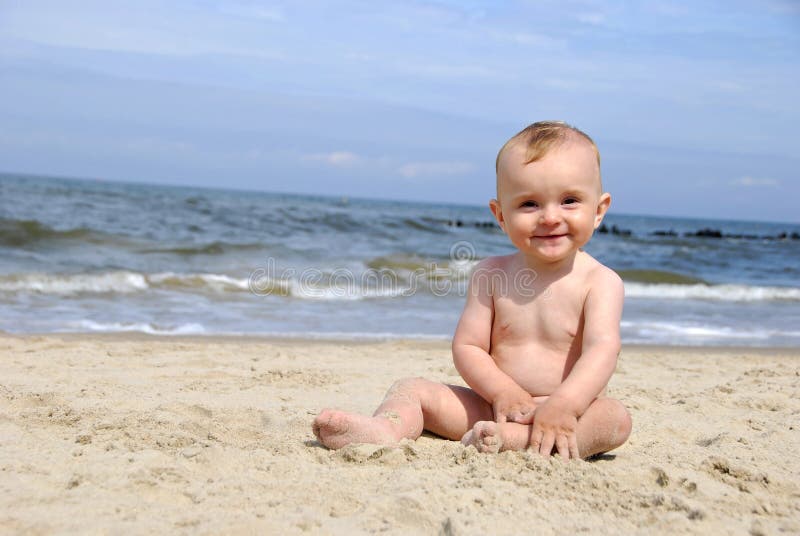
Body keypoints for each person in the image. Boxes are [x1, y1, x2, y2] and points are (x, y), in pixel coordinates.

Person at [313, 121, 632, 460]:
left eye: (569, 200)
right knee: (411, 389)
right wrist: (502, 391)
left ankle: (515, 440)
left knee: (615, 418)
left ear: (599, 210)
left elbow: (602, 350)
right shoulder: (491, 274)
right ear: (501, 215)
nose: (550, 217)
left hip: (567, 413)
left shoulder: (600, 282)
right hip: (492, 406)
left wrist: (565, 404)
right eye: (529, 204)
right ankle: (385, 429)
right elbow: (469, 346)